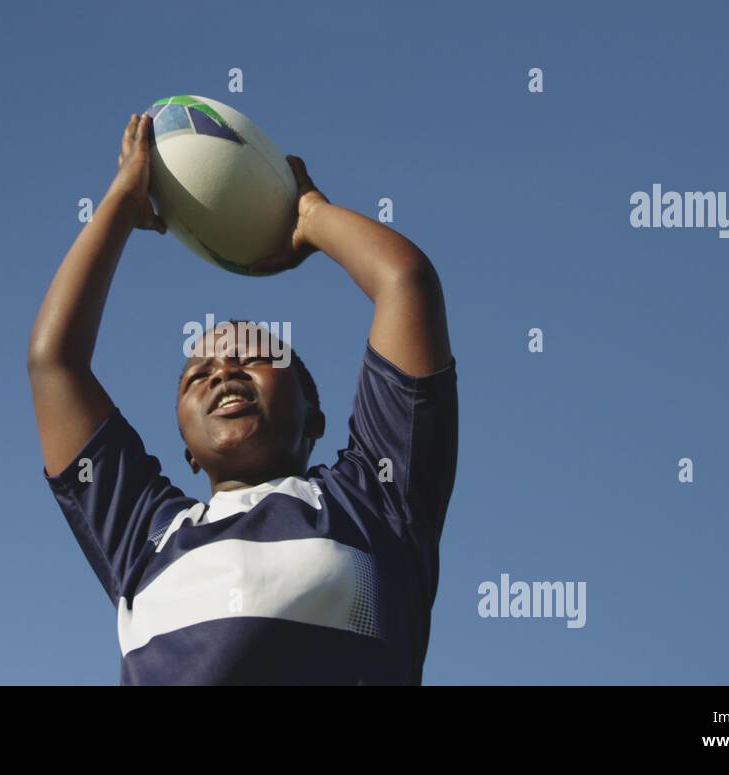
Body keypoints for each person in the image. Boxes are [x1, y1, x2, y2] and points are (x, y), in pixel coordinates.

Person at [27, 112, 458, 684]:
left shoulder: (376, 497)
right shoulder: (141, 535)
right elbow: (54, 363)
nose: (224, 372)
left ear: (314, 414)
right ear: (185, 448)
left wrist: (311, 215)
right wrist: (120, 206)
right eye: (196, 373)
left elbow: (405, 282)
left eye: (255, 357)